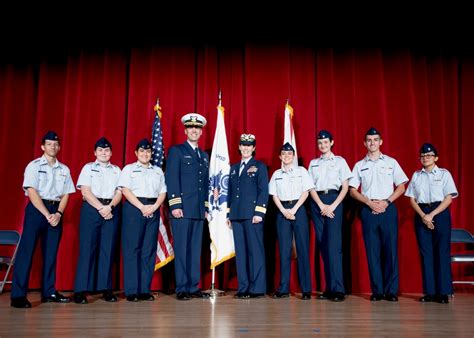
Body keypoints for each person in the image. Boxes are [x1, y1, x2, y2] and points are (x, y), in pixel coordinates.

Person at [11, 131, 75, 309]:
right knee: (26, 253)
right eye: (49, 144)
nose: (52, 147)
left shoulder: (64, 169)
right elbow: (32, 192)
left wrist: (59, 214)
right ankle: (18, 296)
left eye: (55, 144)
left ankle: (49, 292)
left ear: (59, 147)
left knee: (51, 254)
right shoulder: (33, 166)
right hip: (37, 210)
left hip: (56, 211)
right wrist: (47, 214)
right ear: (42, 147)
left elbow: (66, 194)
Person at [349, 127, 408, 302]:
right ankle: (377, 291)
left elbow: (401, 186)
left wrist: (387, 202)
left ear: (381, 142)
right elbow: (352, 190)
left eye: (375, 140)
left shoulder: (391, 162)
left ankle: (391, 291)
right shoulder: (360, 165)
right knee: (372, 252)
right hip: (368, 209)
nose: (372, 143)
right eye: (369, 140)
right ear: (364, 143)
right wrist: (368, 202)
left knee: (390, 251)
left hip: (387, 208)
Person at [405, 143, 458, 304]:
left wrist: (432, 214)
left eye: (428, 156)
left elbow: (449, 198)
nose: (425, 158)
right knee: (426, 253)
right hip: (421, 213)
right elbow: (411, 198)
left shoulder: (444, 174)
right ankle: (429, 292)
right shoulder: (416, 175)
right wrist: (423, 215)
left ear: (436, 158)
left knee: (441, 252)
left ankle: (443, 292)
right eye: (422, 156)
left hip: (439, 212)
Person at [165, 113, 210, 301]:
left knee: (194, 249)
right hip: (182, 209)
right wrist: (175, 204)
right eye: (191, 127)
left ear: (201, 132)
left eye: (197, 128)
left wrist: (206, 207)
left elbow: (206, 183)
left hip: (198, 210)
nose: (194, 130)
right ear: (185, 130)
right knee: (182, 249)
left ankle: (193, 286)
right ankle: (182, 287)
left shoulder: (204, 155)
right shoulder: (176, 151)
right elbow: (172, 178)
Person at [73, 137, 122, 304]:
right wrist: (101, 208)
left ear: (111, 153)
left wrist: (110, 207)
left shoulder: (117, 170)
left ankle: (106, 289)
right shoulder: (88, 168)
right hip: (92, 209)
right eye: (100, 150)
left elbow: (120, 192)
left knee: (107, 250)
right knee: (87, 249)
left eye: (107, 150)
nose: (103, 153)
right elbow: (85, 191)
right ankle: (80, 290)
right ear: (95, 152)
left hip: (111, 209)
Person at [118, 138, 167, 302]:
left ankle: (145, 289)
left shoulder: (158, 171)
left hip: (153, 209)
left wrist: (154, 207)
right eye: (142, 151)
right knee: (132, 249)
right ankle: (132, 291)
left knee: (148, 250)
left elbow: (162, 192)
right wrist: (141, 207)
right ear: (136, 153)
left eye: (148, 151)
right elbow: (125, 190)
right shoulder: (129, 169)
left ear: (151, 153)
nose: (145, 154)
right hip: (134, 208)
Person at [308, 130, 352, 302]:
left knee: (334, 247)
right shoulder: (313, 163)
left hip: (334, 200)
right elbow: (310, 187)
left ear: (332, 142)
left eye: (326, 142)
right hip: (318, 202)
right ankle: (328, 288)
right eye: (320, 143)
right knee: (323, 246)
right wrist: (320, 205)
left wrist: (332, 205)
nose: (323, 145)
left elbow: (345, 187)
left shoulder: (340, 162)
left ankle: (338, 289)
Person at [269, 142, 314, 300]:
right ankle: (283, 288)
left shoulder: (302, 171)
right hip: (282, 212)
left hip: (298, 210)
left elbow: (306, 192)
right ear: (280, 156)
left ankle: (306, 289)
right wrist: (284, 211)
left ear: (293, 156)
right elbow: (274, 195)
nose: (286, 156)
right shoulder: (276, 174)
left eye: (289, 154)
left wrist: (294, 210)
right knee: (284, 251)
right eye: (284, 154)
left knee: (302, 249)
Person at [227, 134, 269, 299]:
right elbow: (231, 192)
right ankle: (243, 288)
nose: (245, 148)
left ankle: (257, 288)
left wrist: (259, 212)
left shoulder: (259, 166)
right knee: (242, 253)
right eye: (243, 145)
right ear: (239, 147)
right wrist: (229, 214)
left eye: (248, 145)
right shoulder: (234, 168)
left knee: (255, 252)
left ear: (253, 148)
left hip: (253, 215)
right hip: (237, 216)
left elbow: (263, 191)